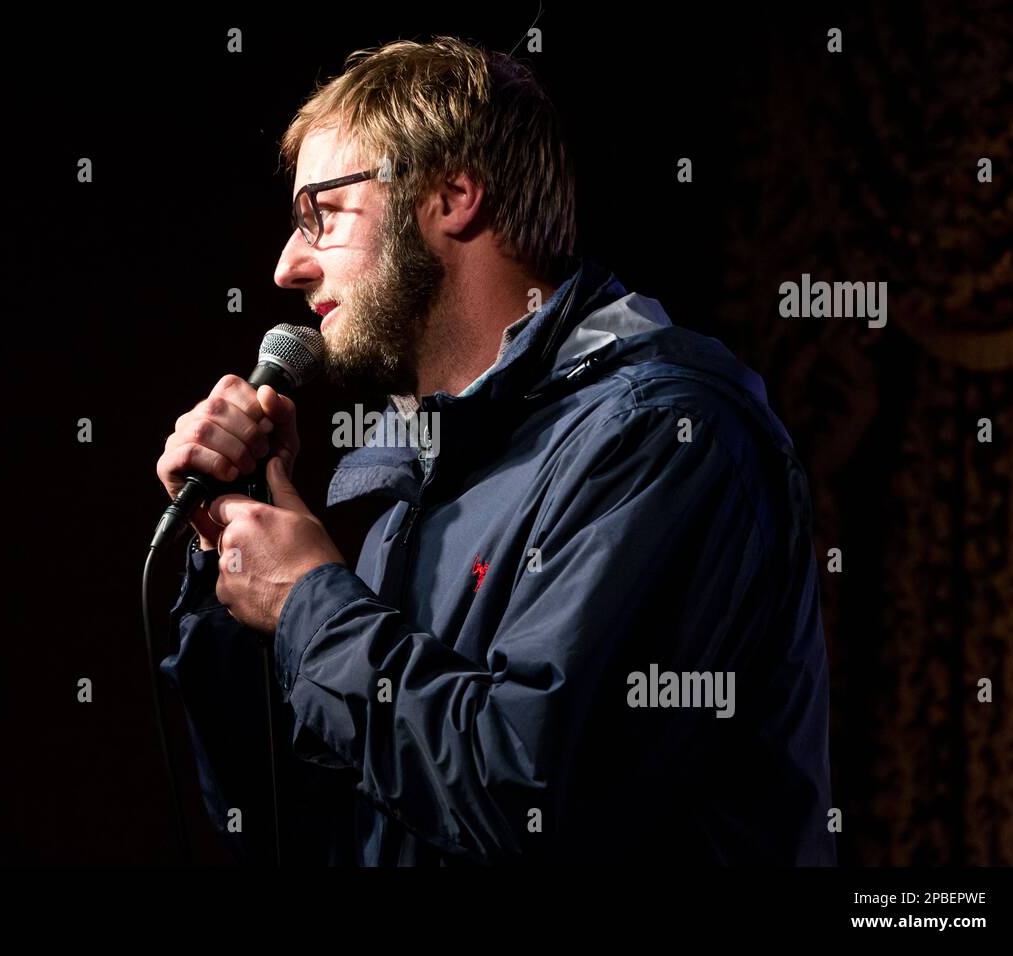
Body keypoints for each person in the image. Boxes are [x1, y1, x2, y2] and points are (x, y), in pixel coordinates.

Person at [155, 37, 836, 865]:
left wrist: (306, 603)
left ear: (454, 194)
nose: (286, 266)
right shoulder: (415, 483)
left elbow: (534, 795)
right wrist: (236, 562)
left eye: (321, 215)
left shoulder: (665, 434)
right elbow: (306, 828)